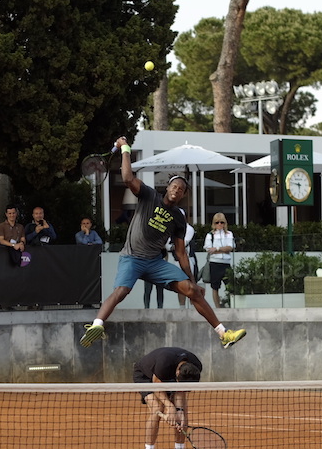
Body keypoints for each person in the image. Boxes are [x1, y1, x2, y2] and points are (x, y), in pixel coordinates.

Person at [79, 136, 246, 350]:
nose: (177, 190)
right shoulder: (149, 195)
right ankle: (97, 325)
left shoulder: (178, 218)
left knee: (192, 291)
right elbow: (128, 178)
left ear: (183, 195)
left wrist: (192, 280)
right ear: (167, 187)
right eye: (174, 186)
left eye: (181, 189)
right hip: (132, 257)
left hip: (155, 263)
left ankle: (224, 334)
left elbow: (181, 253)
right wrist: (126, 149)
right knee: (121, 291)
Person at [133, 346, 203, 449]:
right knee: (157, 407)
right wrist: (169, 406)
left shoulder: (195, 365)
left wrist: (179, 412)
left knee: (183, 413)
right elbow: (156, 384)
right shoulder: (164, 362)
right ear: (177, 373)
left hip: (168, 377)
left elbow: (181, 391)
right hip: (146, 377)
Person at [203, 212, 235, 308]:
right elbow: (208, 249)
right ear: (214, 223)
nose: (219, 224)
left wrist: (217, 249)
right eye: (217, 222)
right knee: (215, 287)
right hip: (215, 263)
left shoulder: (229, 234)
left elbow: (231, 247)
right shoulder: (210, 235)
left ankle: (230, 305)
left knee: (231, 286)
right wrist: (223, 249)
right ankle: (217, 307)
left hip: (226, 263)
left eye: (222, 222)